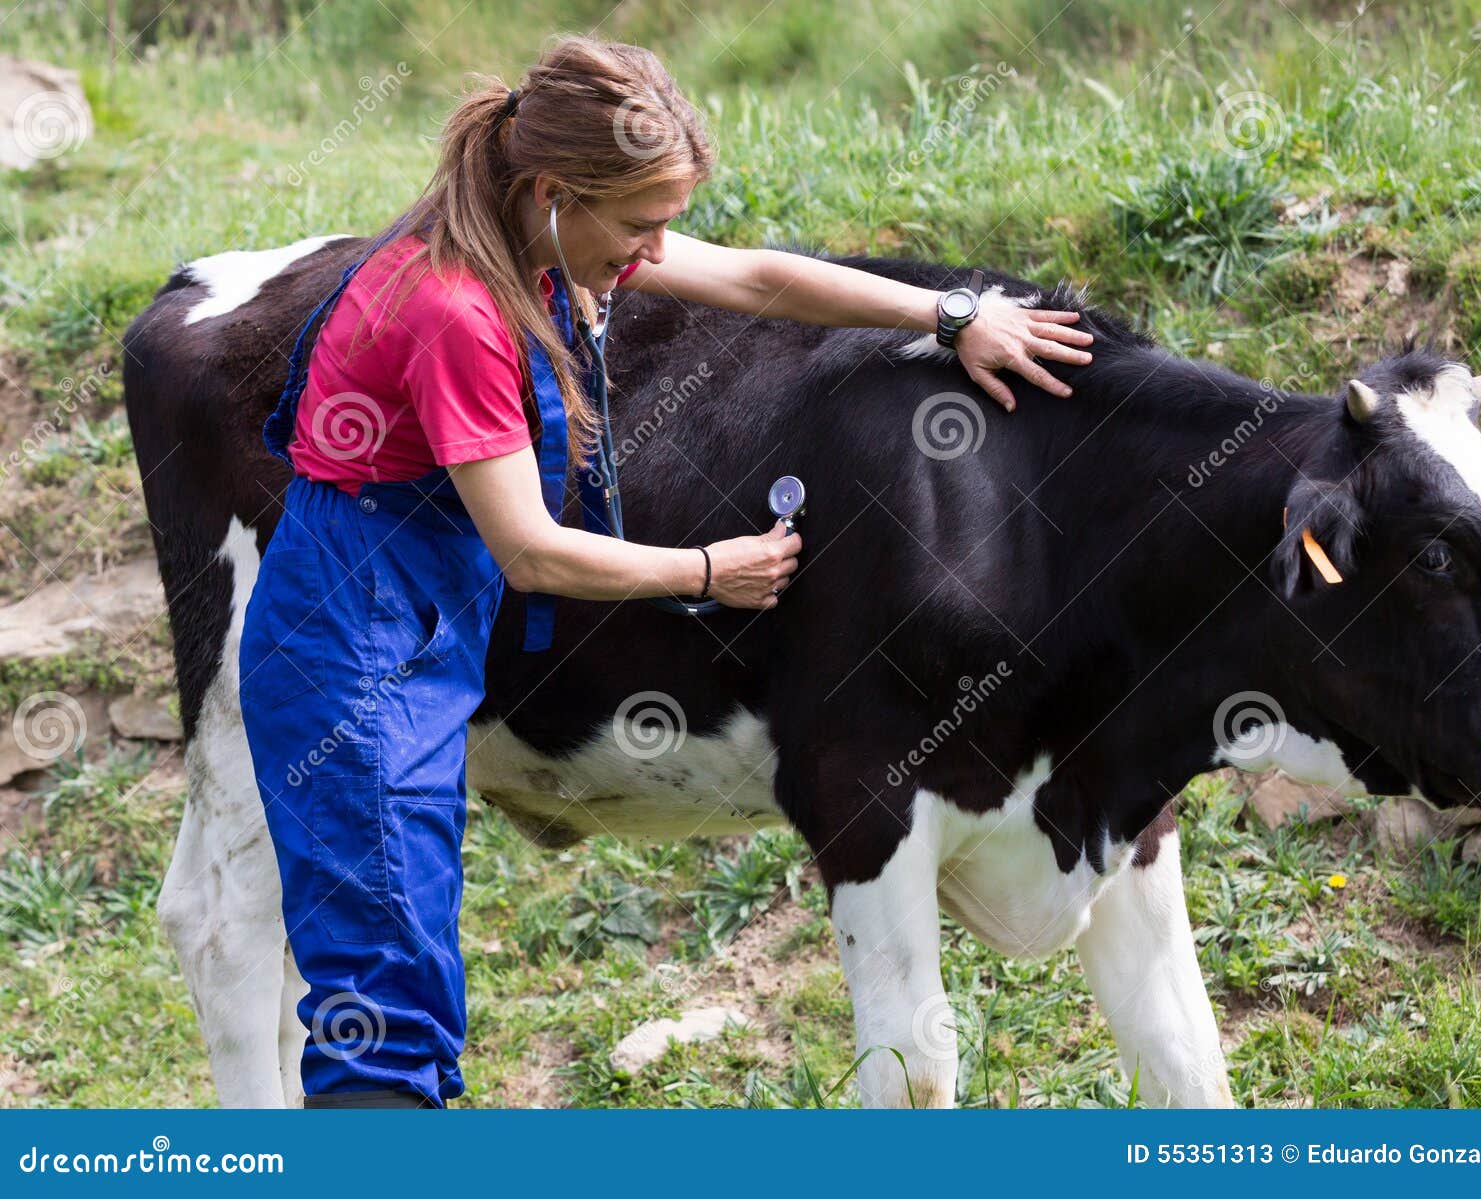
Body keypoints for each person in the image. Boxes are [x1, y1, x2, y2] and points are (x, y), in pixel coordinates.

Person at [237, 33, 1095, 1109]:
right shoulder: (455, 309)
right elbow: (530, 549)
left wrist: (950, 311)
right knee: (383, 996)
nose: (651, 253)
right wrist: (706, 568)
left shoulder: (523, 232)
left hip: (416, 629)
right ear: (555, 190)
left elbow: (755, 277)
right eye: (638, 224)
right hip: (353, 647)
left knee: (410, 970)